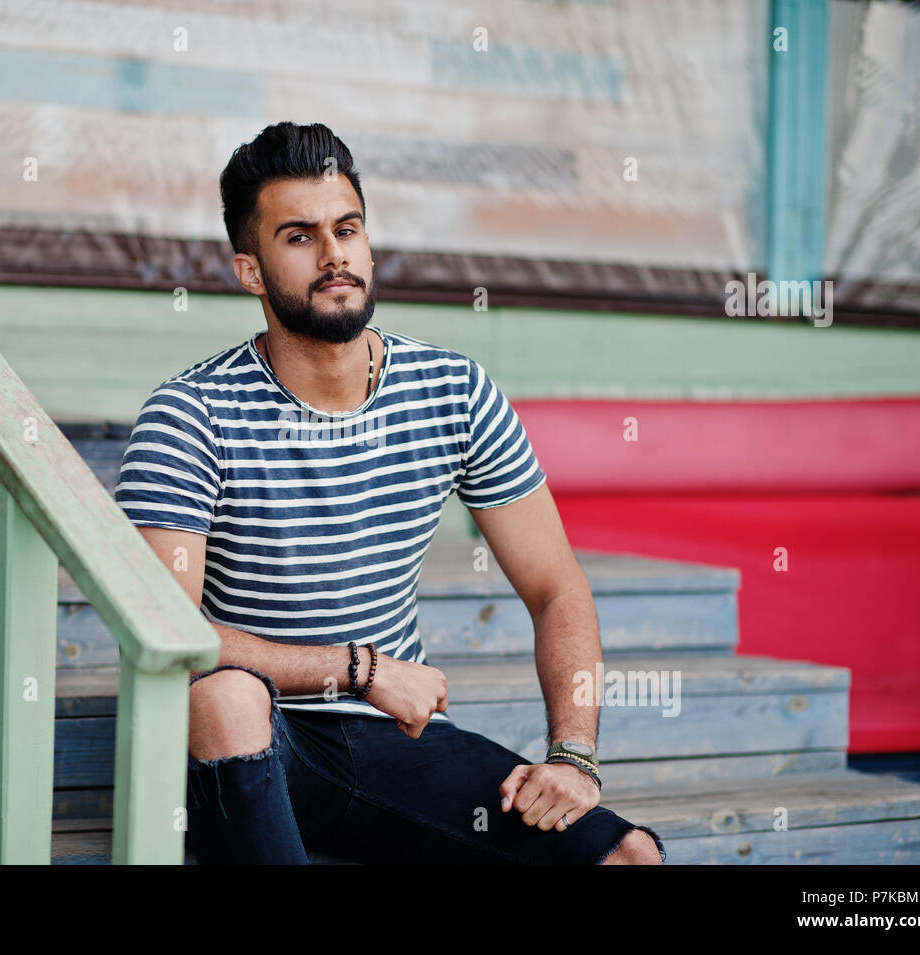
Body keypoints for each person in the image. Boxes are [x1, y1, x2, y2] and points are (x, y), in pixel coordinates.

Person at [114, 122, 665, 865]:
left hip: (393, 741)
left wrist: (573, 754)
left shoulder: (453, 390)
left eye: (347, 229)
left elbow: (555, 586)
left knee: (628, 856)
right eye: (300, 237)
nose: (334, 254)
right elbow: (169, 635)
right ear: (251, 271)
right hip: (253, 737)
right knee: (226, 695)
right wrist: (359, 669)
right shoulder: (190, 414)